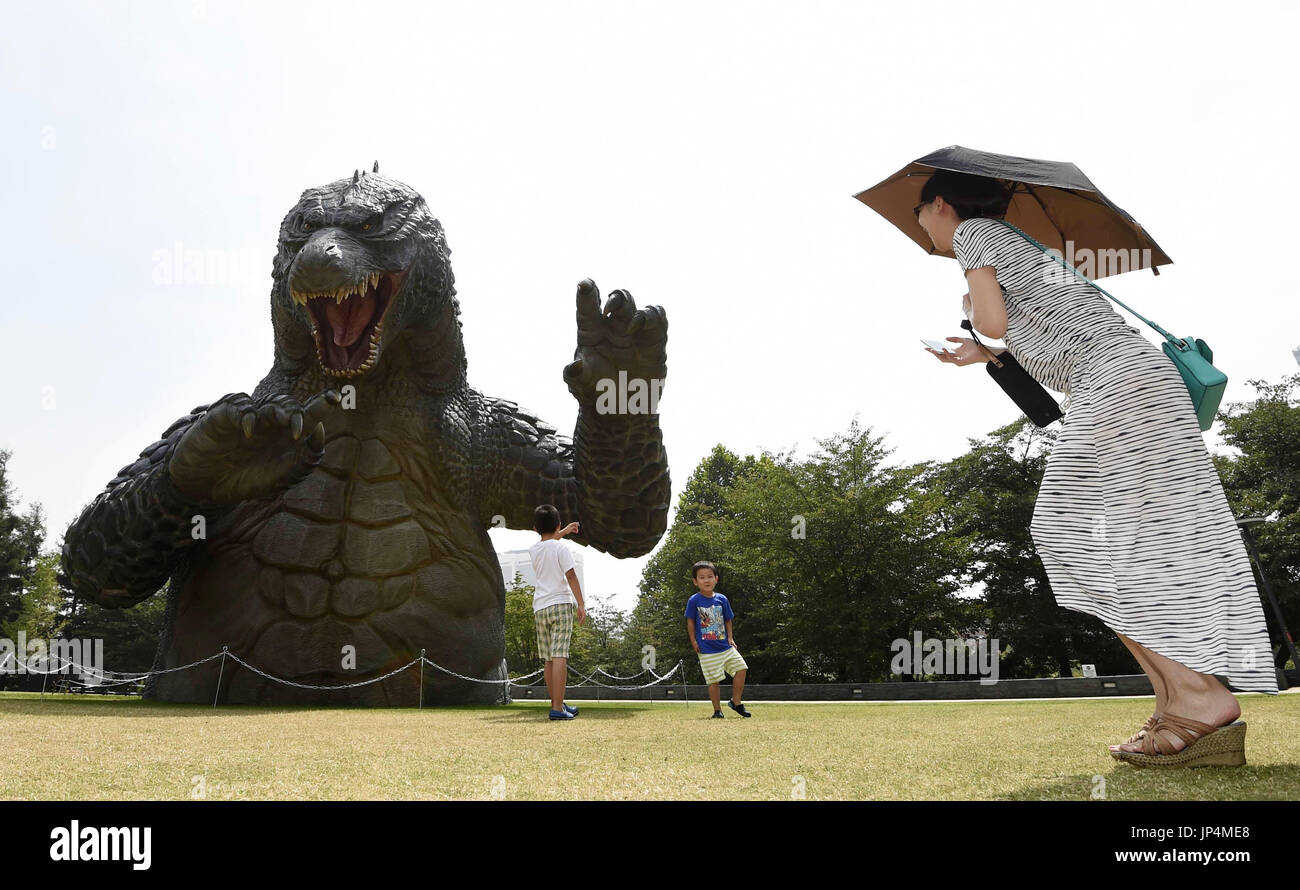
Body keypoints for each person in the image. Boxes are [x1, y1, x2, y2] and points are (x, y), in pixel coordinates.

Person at [918, 169, 1277, 766]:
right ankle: (1177, 701)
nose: (922, 224)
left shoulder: (974, 232)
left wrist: (976, 319)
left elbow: (996, 319)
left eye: (921, 212)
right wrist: (986, 352)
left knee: (1068, 533)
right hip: (1134, 381)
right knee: (1121, 542)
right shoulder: (1024, 245)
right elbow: (1044, 333)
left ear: (940, 203)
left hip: (1113, 384)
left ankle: (1198, 695)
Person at [528, 504, 587, 720]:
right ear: (558, 524)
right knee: (560, 655)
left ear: (535, 528)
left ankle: (558, 703)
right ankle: (557, 708)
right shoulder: (562, 549)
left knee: (548, 659)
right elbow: (571, 575)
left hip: (540, 607)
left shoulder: (534, 550)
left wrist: (563, 531)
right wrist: (581, 603)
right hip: (560, 604)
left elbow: (549, 542)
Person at [684, 561, 751, 718]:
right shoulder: (694, 600)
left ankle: (736, 701)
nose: (706, 580)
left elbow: (728, 619)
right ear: (695, 581)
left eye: (709, 576)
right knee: (713, 680)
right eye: (702, 577)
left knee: (741, 668)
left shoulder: (722, 599)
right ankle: (717, 711)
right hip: (706, 649)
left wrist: (730, 638)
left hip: (725, 646)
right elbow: (690, 622)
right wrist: (693, 641)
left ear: (716, 579)